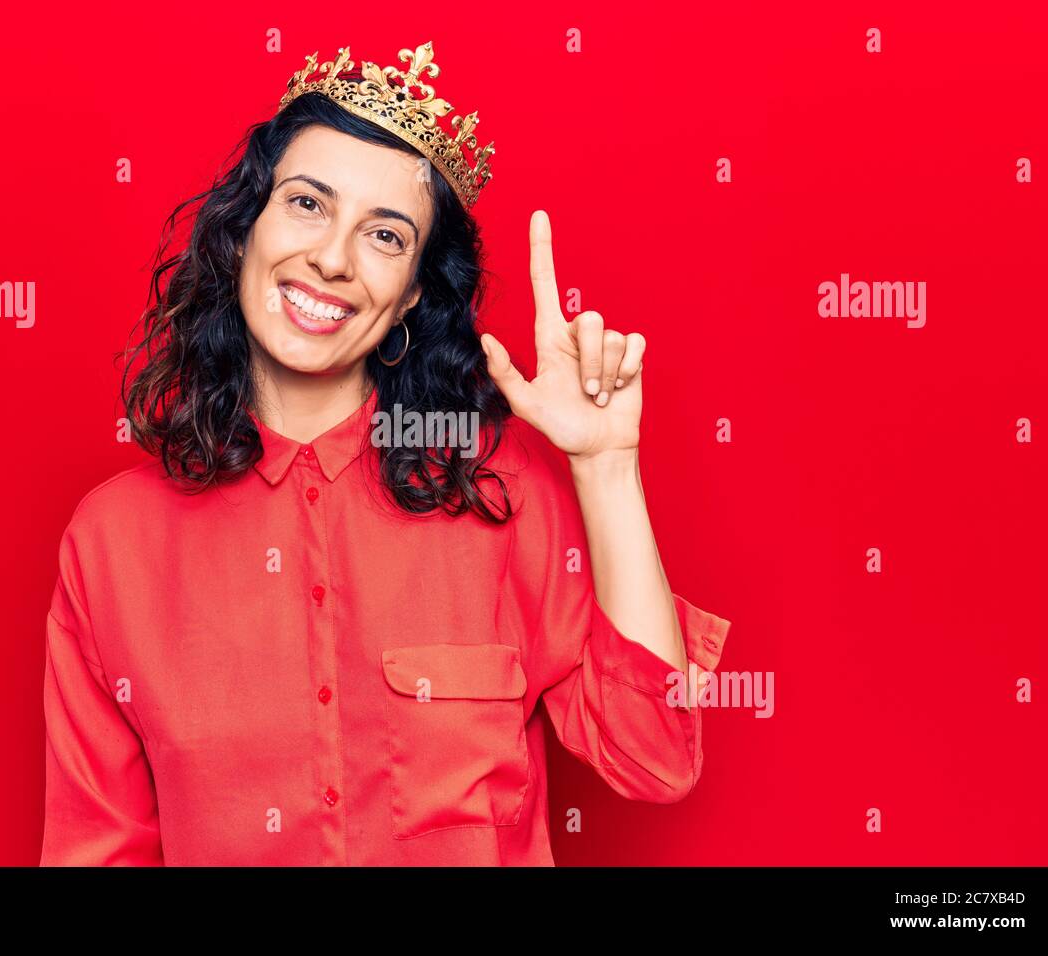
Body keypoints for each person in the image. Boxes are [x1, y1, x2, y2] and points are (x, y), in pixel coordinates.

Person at [39, 40, 731, 866]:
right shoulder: (112, 542)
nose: (332, 258)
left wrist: (607, 467)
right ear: (242, 230)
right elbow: (96, 851)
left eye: (386, 235)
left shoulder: (501, 492)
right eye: (306, 204)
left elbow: (654, 759)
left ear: (410, 295)